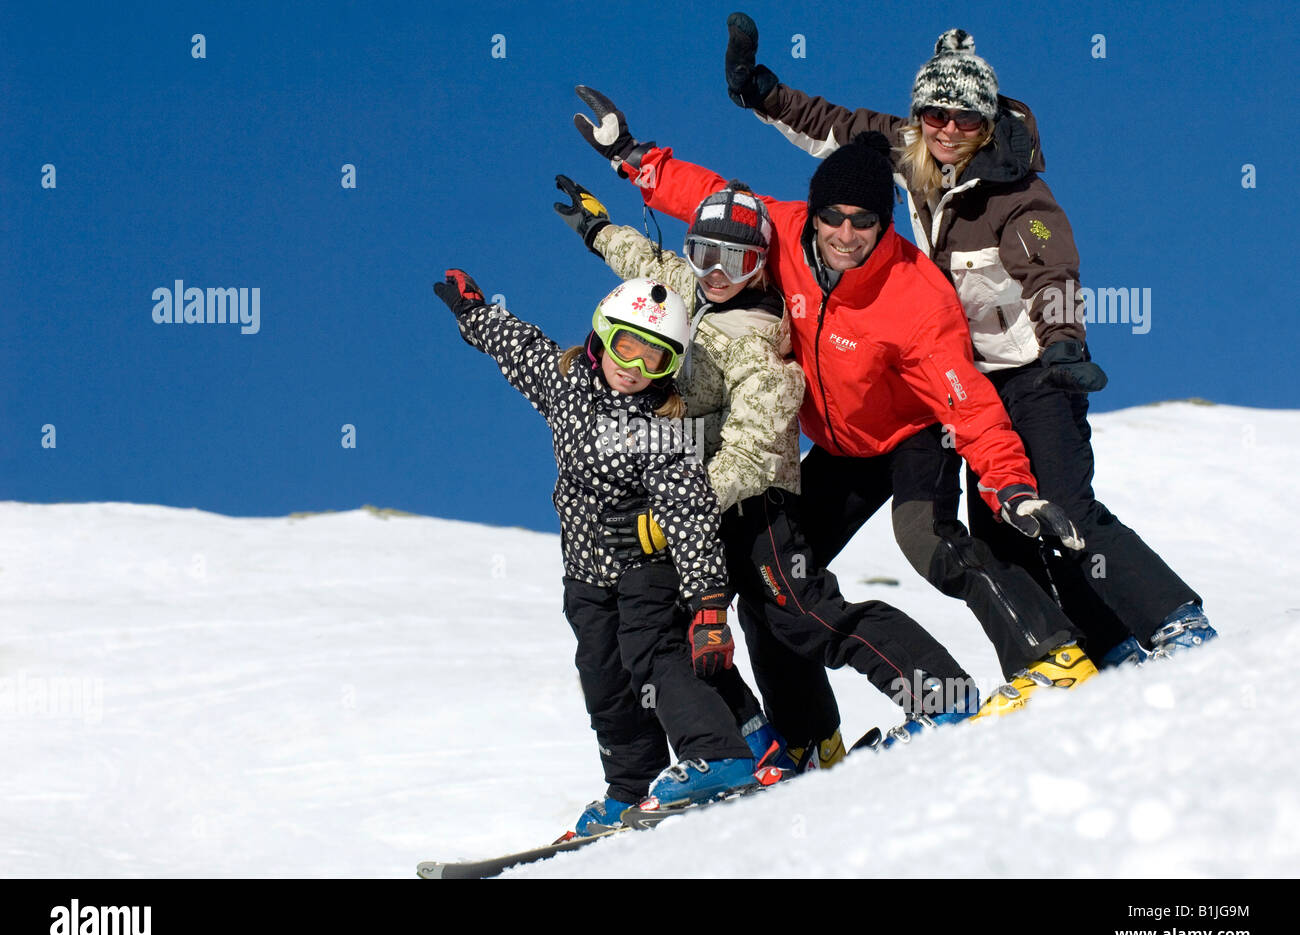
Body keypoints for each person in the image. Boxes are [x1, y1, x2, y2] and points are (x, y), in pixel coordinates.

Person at [572, 85, 1097, 724]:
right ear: (814, 215)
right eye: (835, 218)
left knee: (927, 540)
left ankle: (1051, 657)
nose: (847, 234)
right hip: (840, 446)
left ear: (884, 225)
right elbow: (709, 200)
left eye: (865, 222)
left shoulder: (914, 297)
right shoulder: (784, 233)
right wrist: (630, 156)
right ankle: (809, 741)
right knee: (776, 590)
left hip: (910, 434)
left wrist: (1010, 483)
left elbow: (968, 401)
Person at [721, 14, 1217, 667]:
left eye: (965, 118)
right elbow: (829, 127)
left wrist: (1066, 343)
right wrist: (761, 91)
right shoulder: (907, 151)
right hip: (965, 378)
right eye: (936, 114)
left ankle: (1176, 616)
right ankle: (1103, 643)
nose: (948, 129)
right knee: (1002, 524)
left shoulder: (1015, 194)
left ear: (987, 122)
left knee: (1066, 504)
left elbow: (1052, 271)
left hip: (1037, 370)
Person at [554, 173, 980, 759]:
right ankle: (786, 745)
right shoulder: (697, 296)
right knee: (689, 629)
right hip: (702, 511)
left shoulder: (759, 345)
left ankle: (940, 694)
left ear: (759, 265)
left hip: (754, 512)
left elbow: (751, 458)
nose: (716, 272)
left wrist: (676, 511)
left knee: (804, 612)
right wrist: (598, 230)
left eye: (735, 259)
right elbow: (649, 267)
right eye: (704, 254)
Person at [433, 267, 762, 833]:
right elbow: (521, 348)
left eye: (653, 359)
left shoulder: (664, 428)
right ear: (601, 336)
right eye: (625, 346)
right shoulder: (566, 384)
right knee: (603, 676)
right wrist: (474, 314)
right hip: (585, 576)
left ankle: (723, 755)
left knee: (653, 657)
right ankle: (630, 789)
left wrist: (708, 604)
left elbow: (690, 517)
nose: (633, 369)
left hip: (648, 571)